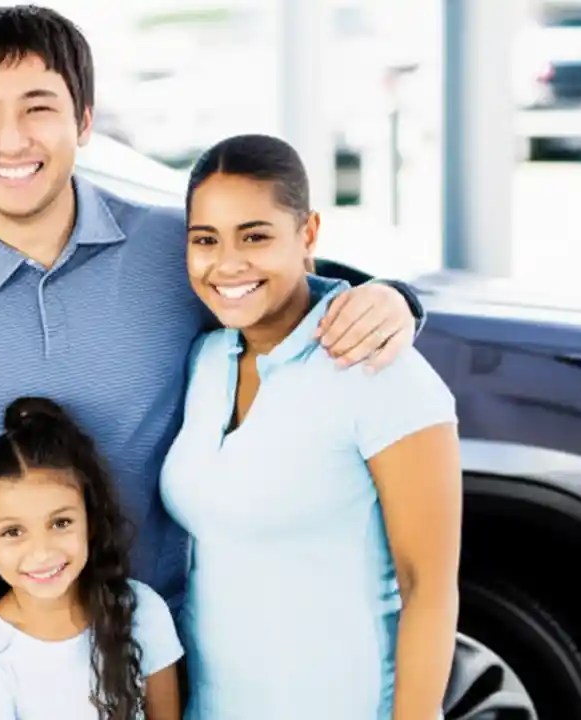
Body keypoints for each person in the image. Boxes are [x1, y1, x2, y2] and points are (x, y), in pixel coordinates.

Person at [0, 5, 425, 612]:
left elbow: (297, 291)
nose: (13, 138)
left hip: (170, 654)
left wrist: (395, 299)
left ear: (83, 121)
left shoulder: (175, 247)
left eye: (38, 107)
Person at [160, 134, 461, 719]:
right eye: (206, 240)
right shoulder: (205, 361)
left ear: (309, 235)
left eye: (255, 236)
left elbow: (429, 589)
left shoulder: (381, 371)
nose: (227, 264)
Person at [0, 397, 182, 720]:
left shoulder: (142, 609)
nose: (42, 551)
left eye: (61, 523)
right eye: (13, 531)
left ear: (89, 519)